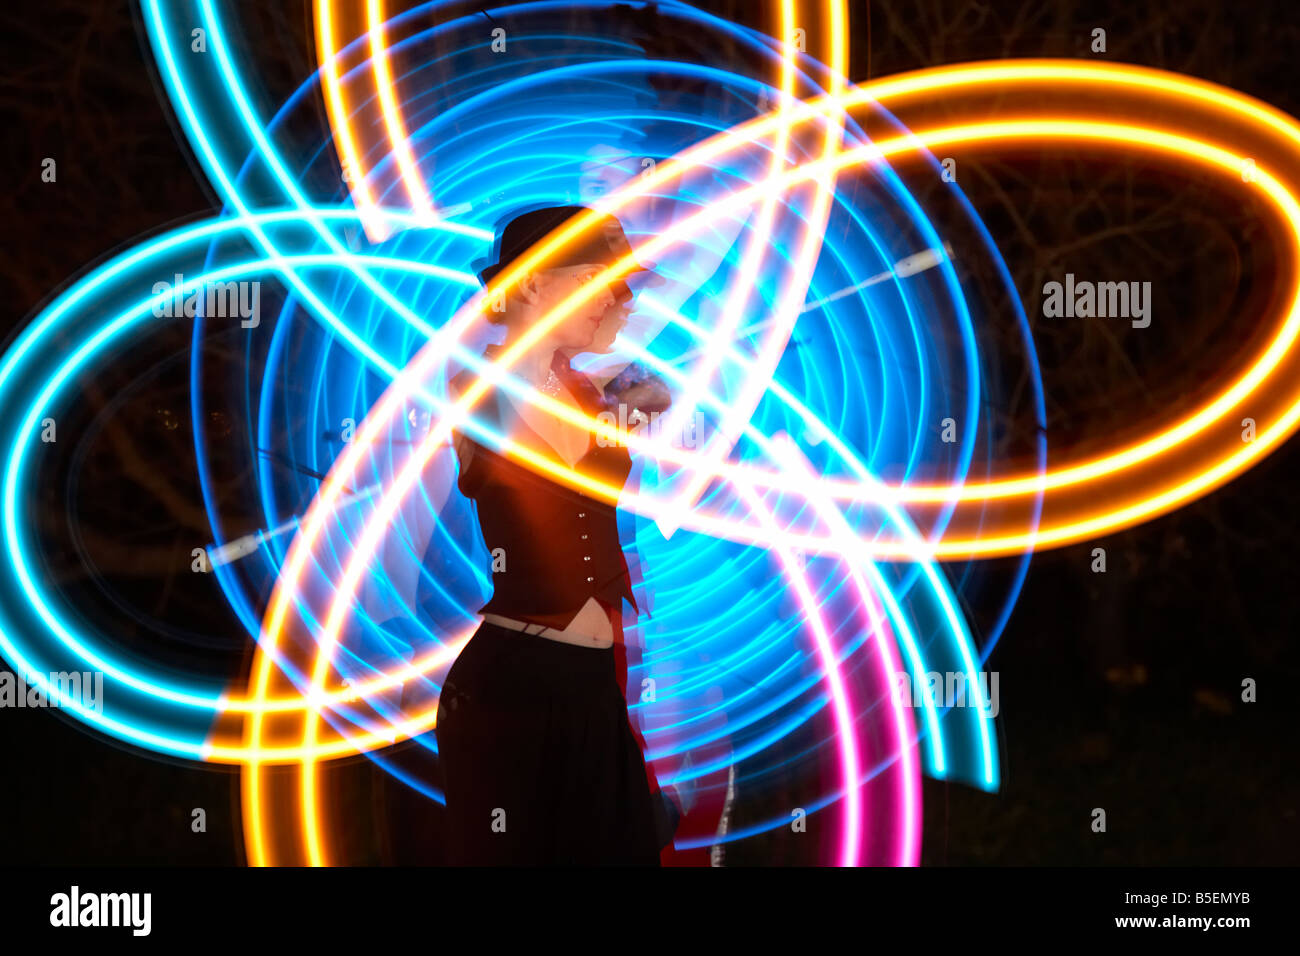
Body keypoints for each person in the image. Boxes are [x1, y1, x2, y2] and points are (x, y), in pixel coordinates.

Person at [434, 205, 675, 865]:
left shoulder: (591, 397)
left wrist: (640, 403)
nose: (619, 298)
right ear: (534, 283)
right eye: (600, 278)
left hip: (594, 688)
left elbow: (638, 406)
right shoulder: (475, 388)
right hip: (513, 690)